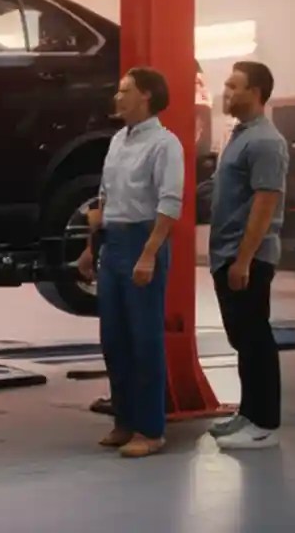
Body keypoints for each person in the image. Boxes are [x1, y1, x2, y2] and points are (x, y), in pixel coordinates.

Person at [78, 67, 184, 459]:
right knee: (114, 339)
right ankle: (123, 421)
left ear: (147, 97)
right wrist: (91, 248)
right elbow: (105, 198)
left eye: (125, 90)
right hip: (114, 243)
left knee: (144, 340)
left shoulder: (165, 145)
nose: (118, 97)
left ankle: (150, 429)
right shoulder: (118, 141)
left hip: (143, 240)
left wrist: (149, 254)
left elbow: (170, 204)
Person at [207, 60, 288, 450]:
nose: (225, 91)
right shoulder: (238, 136)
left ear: (254, 93)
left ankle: (265, 425)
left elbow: (264, 204)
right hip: (228, 255)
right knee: (243, 339)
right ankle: (249, 413)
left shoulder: (265, 142)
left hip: (247, 257)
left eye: (232, 85)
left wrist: (243, 259)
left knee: (256, 338)